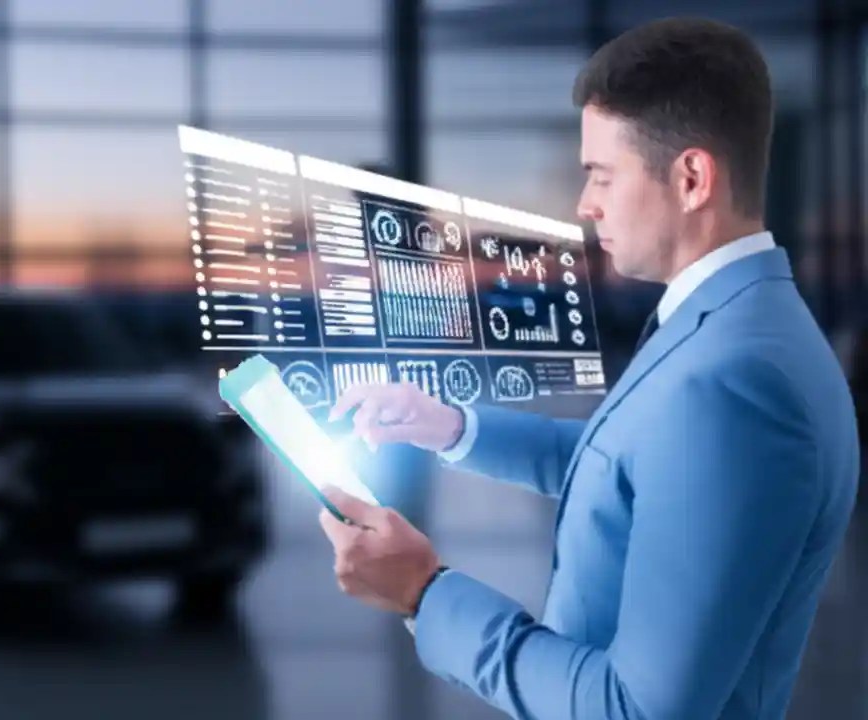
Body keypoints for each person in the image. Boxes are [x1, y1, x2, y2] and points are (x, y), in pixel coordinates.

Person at [319, 17, 860, 719]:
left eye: (602, 175)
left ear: (692, 178)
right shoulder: (736, 326)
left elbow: (632, 709)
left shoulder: (735, 381)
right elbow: (634, 469)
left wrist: (426, 592)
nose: (585, 204)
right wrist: (451, 427)